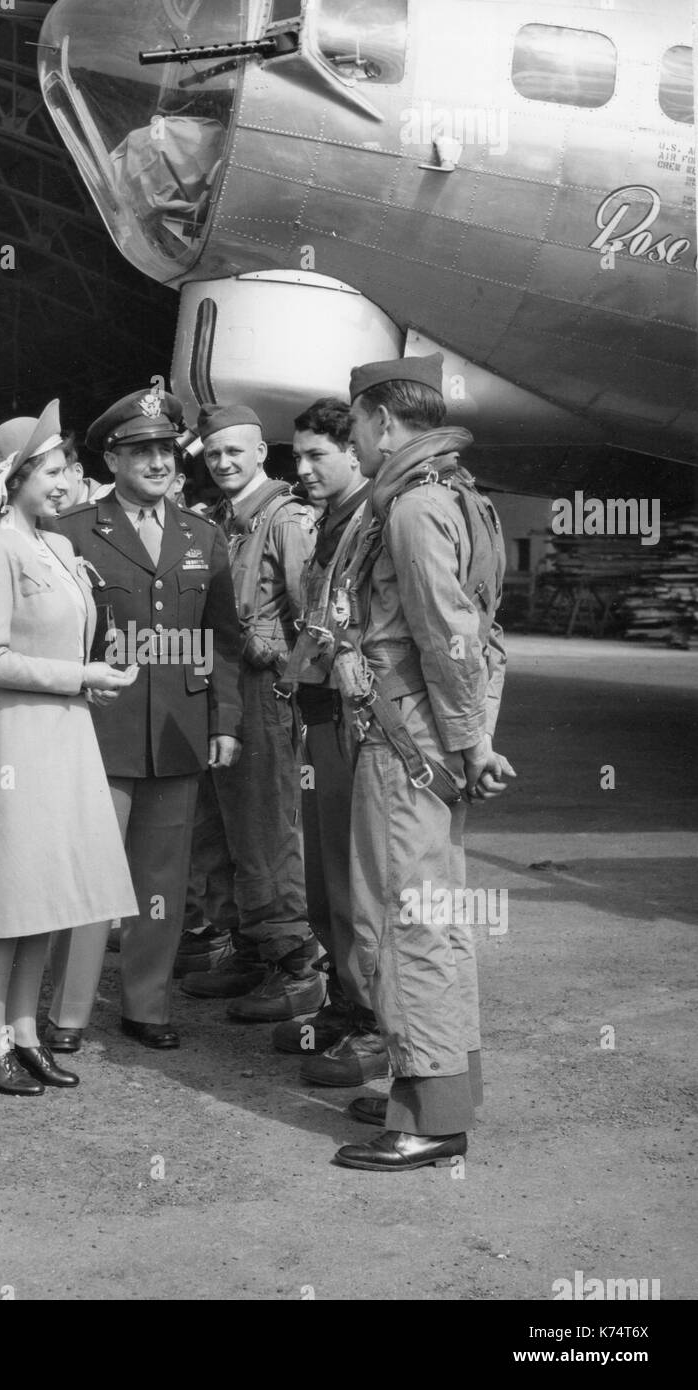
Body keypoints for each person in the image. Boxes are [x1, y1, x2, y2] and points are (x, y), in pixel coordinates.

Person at [329, 352, 515, 1173]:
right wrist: (474, 739)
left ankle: (430, 1121)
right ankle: (436, 1088)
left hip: (406, 745)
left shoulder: (409, 509)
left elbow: (448, 636)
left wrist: (471, 739)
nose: (354, 438)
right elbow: (483, 633)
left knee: (404, 925)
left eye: (356, 423)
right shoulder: (460, 496)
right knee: (435, 917)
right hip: (433, 740)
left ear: (380, 419)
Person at [47, 387, 243, 1051]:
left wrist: (224, 721)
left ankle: (147, 1006)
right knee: (89, 876)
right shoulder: (72, 532)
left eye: (166, 448)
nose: (159, 461)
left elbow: (223, 638)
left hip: (179, 733)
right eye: (142, 450)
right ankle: (68, 1013)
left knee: (163, 881)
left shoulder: (203, 536)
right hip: (100, 731)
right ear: (112, 457)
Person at [0, 400, 139, 1095]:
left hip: (64, 730)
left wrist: (92, 680)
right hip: (15, 737)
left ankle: (24, 1031)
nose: (66, 482)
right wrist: (79, 677)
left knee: (47, 889)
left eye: (70, 469)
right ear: (15, 475)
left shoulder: (58, 549)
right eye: (53, 470)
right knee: (8, 889)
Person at [179, 404, 321, 1022]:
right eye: (213, 454)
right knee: (217, 827)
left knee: (264, 826)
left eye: (235, 451)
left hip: (263, 689)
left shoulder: (287, 519)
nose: (223, 462)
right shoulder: (220, 520)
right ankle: (247, 947)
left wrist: (294, 686)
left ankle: (296, 964)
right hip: (219, 686)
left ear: (262, 452)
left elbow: (315, 614)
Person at [278, 399, 387, 1086]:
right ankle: (344, 1007)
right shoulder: (332, 524)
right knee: (324, 886)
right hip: (321, 716)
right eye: (299, 456)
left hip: (356, 721)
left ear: (355, 451)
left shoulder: (375, 522)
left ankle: (376, 1028)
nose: (306, 468)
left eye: (319, 454)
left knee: (357, 886)